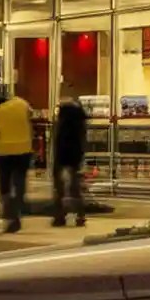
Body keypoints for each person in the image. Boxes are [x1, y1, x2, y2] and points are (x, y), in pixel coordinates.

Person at [0, 89, 33, 234]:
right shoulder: (22, 104)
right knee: (19, 182)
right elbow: (30, 117)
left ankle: (10, 217)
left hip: (4, 152)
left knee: (5, 187)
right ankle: (19, 208)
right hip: (23, 150)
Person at [50, 96, 88, 228]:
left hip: (61, 155)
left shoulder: (63, 121)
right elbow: (82, 139)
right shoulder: (80, 120)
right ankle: (80, 215)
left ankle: (59, 216)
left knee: (59, 188)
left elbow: (59, 140)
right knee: (75, 187)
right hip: (75, 156)